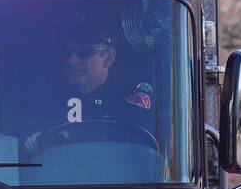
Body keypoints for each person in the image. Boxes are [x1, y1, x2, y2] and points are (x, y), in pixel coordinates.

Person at [23, 24, 160, 157]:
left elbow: (141, 144)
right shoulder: (48, 99)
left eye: (84, 51)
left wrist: (72, 137)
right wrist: (33, 144)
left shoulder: (129, 101)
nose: (72, 60)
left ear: (108, 58)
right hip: (58, 178)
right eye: (67, 52)